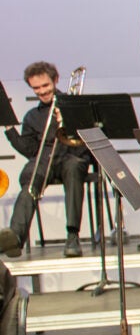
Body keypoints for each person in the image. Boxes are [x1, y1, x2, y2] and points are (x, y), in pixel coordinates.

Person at [2, 62, 90, 257]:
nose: (42, 92)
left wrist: (67, 120)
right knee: (31, 178)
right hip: (45, 160)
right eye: (36, 88)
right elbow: (29, 150)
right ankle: (15, 237)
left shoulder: (73, 105)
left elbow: (88, 141)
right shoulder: (32, 116)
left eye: (45, 86)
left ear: (56, 80)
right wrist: (9, 128)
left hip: (72, 155)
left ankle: (72, 236)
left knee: (74, 168)